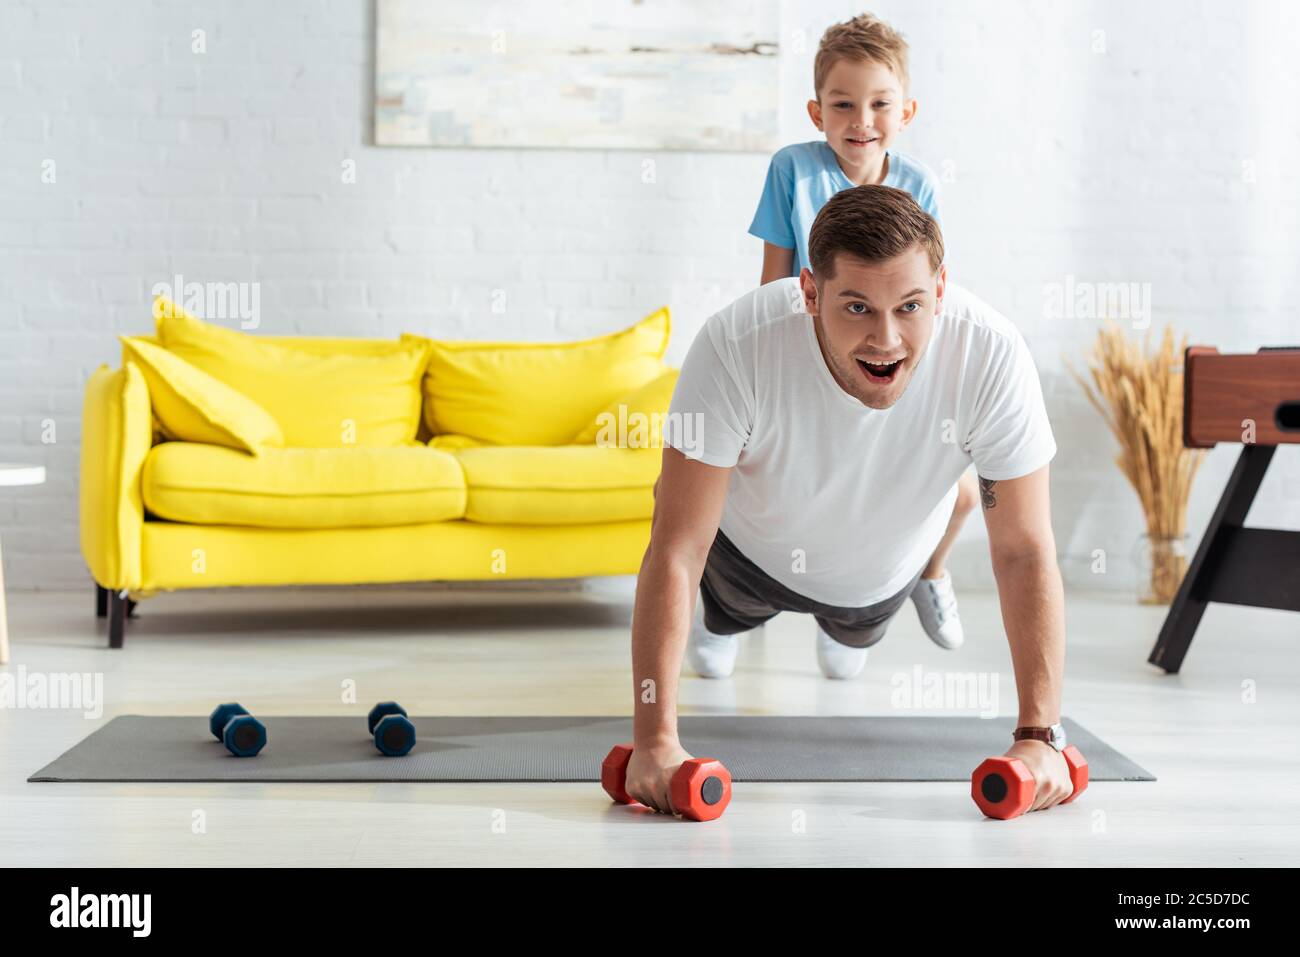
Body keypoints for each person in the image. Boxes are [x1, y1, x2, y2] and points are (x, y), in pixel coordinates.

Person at [627, 185, 1076, 815]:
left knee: (851, 642)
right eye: (858, 307)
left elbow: (1026, 552)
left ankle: (850, 628)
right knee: (698, 554)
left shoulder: (991, 353)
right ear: (810, 293)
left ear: (940, 290)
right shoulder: (736, 343)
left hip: (874, 580)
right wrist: (654, 740)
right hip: (743, 559)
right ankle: (719, 626)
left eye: (911, 306)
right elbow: (677, 547)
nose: (886, 338)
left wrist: (1040, 736)